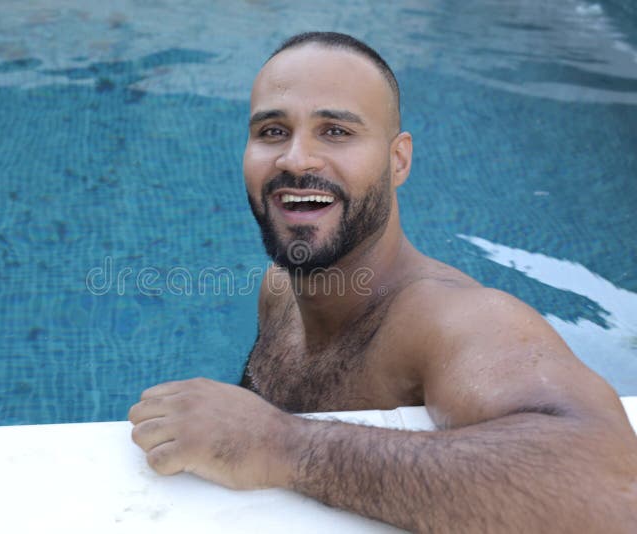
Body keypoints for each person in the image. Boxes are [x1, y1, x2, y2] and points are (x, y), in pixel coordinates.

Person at [128, 32, 637, 532]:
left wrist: (280, 445)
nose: (295, 159)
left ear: (398, 161)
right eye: (273, 131)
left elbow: (611, 490)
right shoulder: (280, 288)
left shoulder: (452, 320)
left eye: (335, 131)